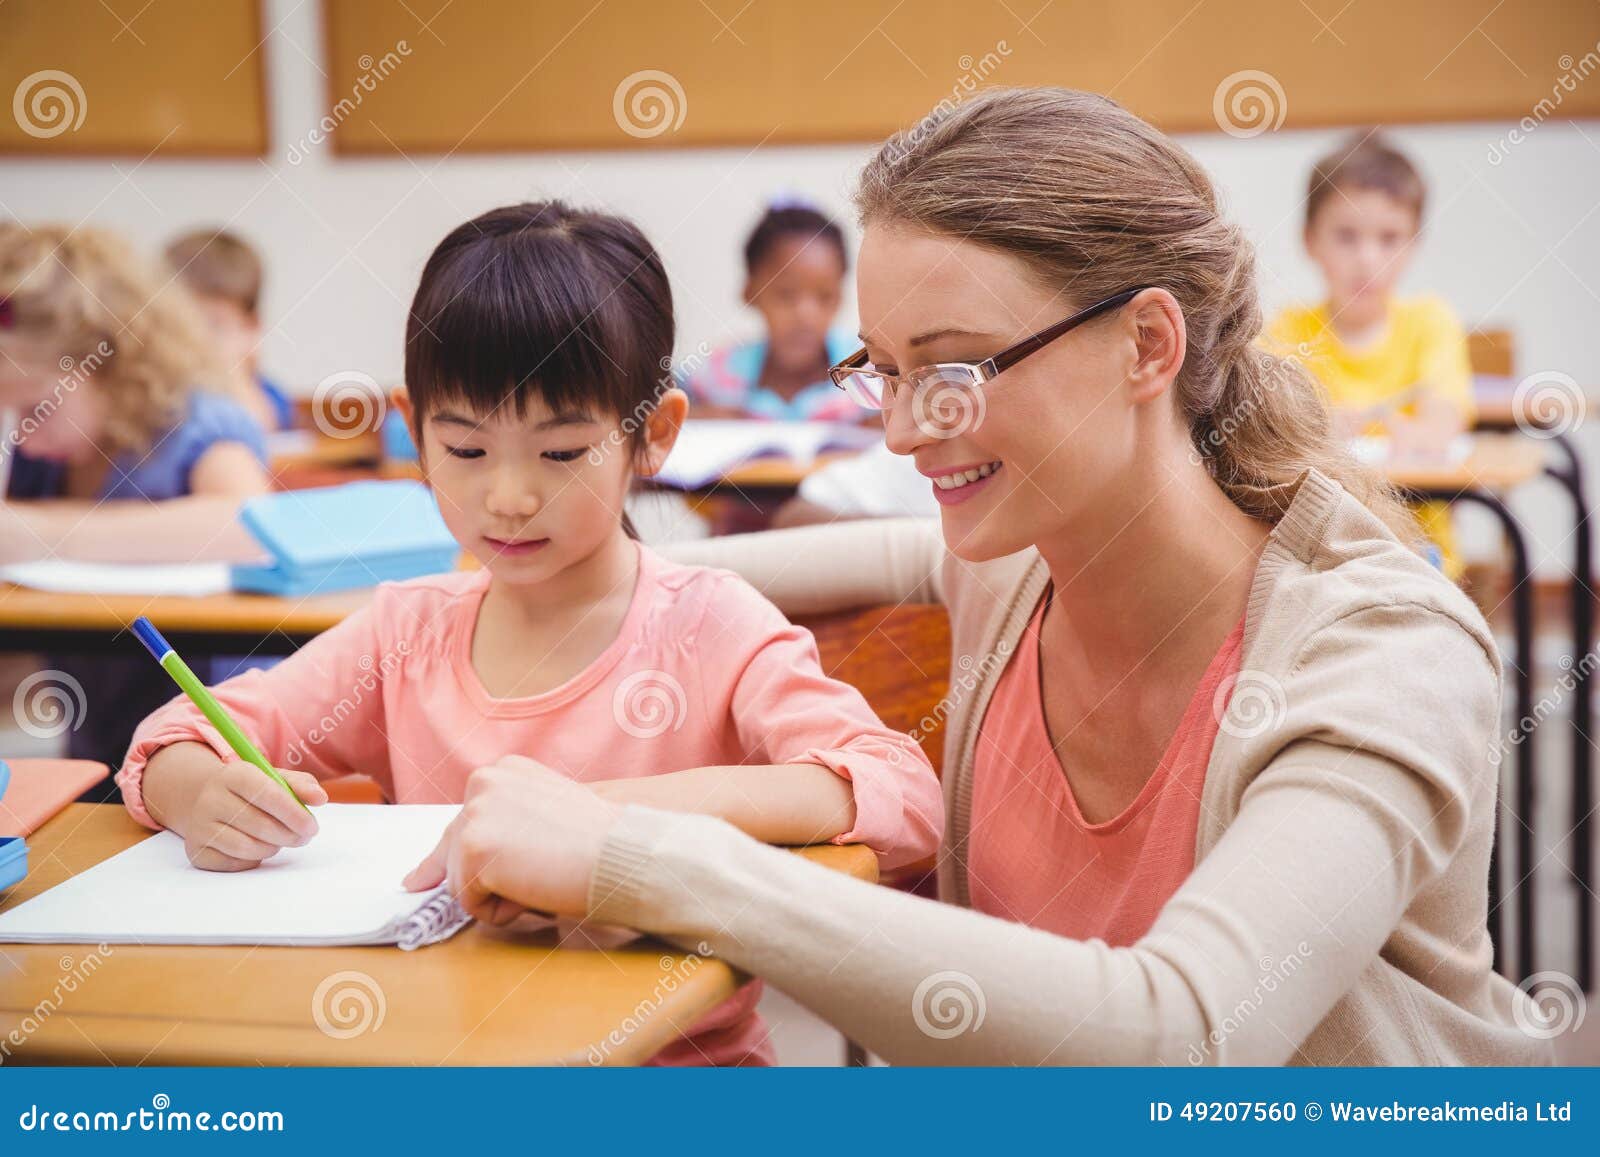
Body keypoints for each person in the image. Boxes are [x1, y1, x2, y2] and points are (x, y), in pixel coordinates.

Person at [405, 90, 1549, 1066]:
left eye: (951, 368)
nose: (902, 431)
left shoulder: (1382, 653)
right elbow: (851, 558)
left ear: (1148, 345)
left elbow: (1187, 1035)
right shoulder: (1007, 567)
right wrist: (535, 576)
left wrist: (646, 863)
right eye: (883, 371)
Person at [117, 201, 942, 1067]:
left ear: (651, 434)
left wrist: (615, 825)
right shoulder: (407, 632)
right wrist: (196, 791)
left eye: (560, 453)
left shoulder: (710, 625)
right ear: (416, 429)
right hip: (449, 1059)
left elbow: (900, 792)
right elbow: (178, 734)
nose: (508, 496)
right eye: (467, 450)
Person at [0, 224, 271, 772]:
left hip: (208, 760)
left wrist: (43, 534)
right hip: (97, 756)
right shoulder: (45, 459)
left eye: (36, 407)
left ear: (108, 364)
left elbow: (251, 523)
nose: (22, 435)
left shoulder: (192, 423)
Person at [1264, 133, 1473, 578]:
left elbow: (1444, 415)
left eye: (1389, 238)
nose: (1367, 259)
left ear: (1413, 243)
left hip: (1421, 556)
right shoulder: (1286, 330)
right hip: (1320, 559)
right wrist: (1316, 428)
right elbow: (1270, 430)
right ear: (1310, 241)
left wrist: (1426, 431)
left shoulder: (1429, 323)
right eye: (1346, 236)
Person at [680, 199, 861, 422]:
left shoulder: (869, 370)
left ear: (841, 298)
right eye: (786, 294)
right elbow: (653, 409)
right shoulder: (715, 375)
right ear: (750, 293)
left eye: (825, 297)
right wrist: (697, 417)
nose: (806, 316)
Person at [165, 228, 297, 432]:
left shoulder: (264, 394)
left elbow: (259, 428)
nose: (196, 342)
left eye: (213, 325)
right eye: (181, 327)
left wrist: (237, 373)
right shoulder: (160, 390)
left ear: (251, 328)